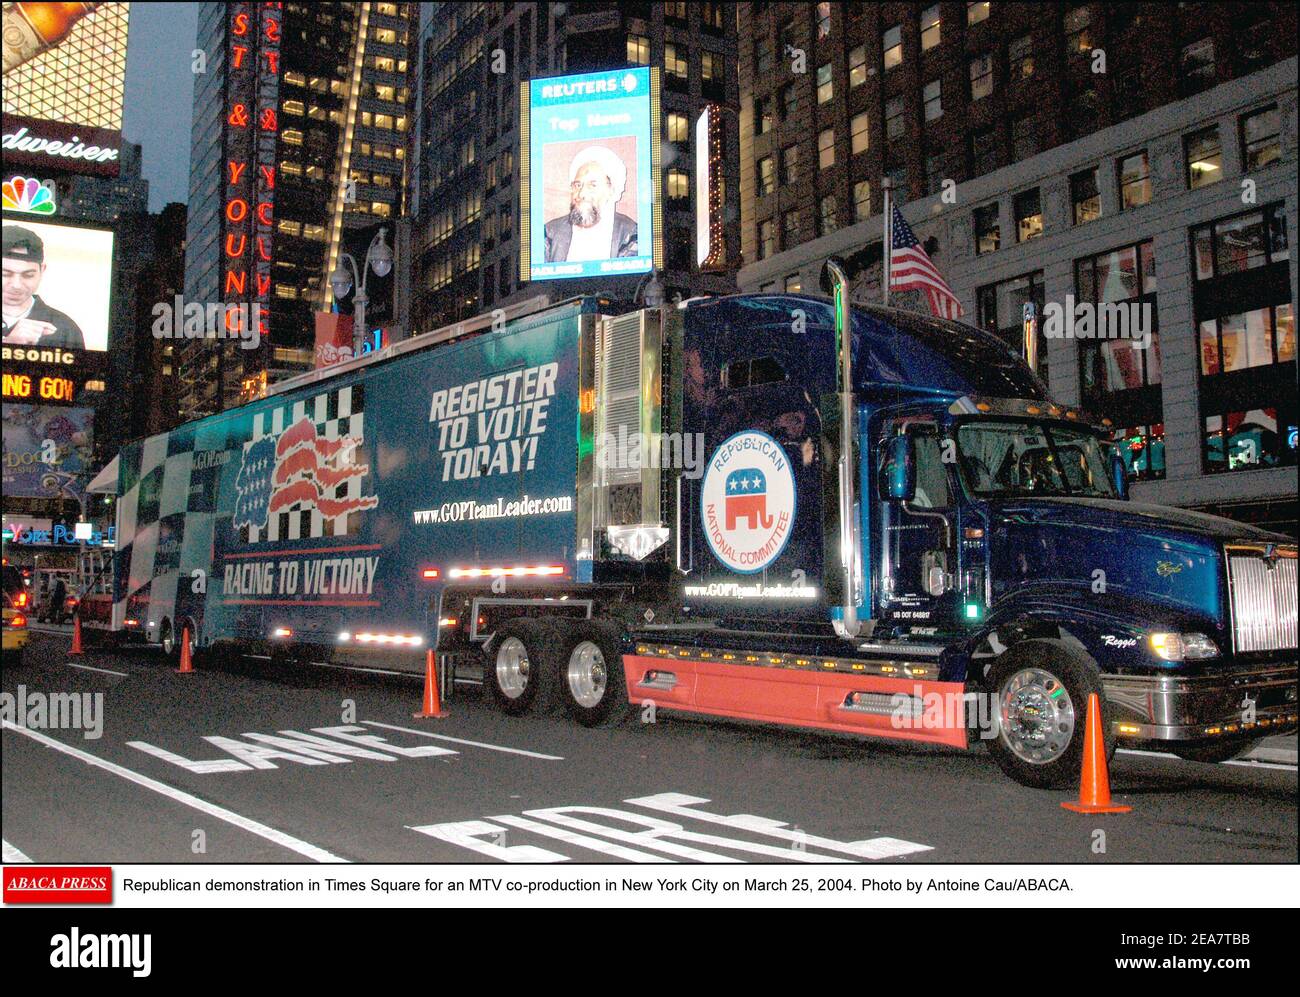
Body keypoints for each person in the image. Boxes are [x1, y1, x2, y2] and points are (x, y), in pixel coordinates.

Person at [544, 146, 638, 263]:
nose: (582, 193)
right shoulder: (549, 233)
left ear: (612, 190)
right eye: (578, 185)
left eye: (592, 185)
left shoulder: (631, 234)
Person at [2, 225, 86, 349]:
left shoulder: (65, 328)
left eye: (28, 275)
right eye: (5, 274)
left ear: (42, 270)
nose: (17, 285)